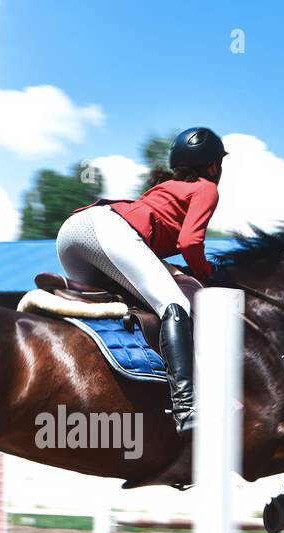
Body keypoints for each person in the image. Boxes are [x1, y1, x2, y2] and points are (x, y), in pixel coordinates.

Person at [56, 127, 226, 433]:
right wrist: (205, 272)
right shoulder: (206, 188)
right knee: (174, 305)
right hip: (107, 230)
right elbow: (190, 243)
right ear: (213, 166)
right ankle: (186, 406)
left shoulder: (166, 187)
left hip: (72, 233)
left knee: (124, 304)